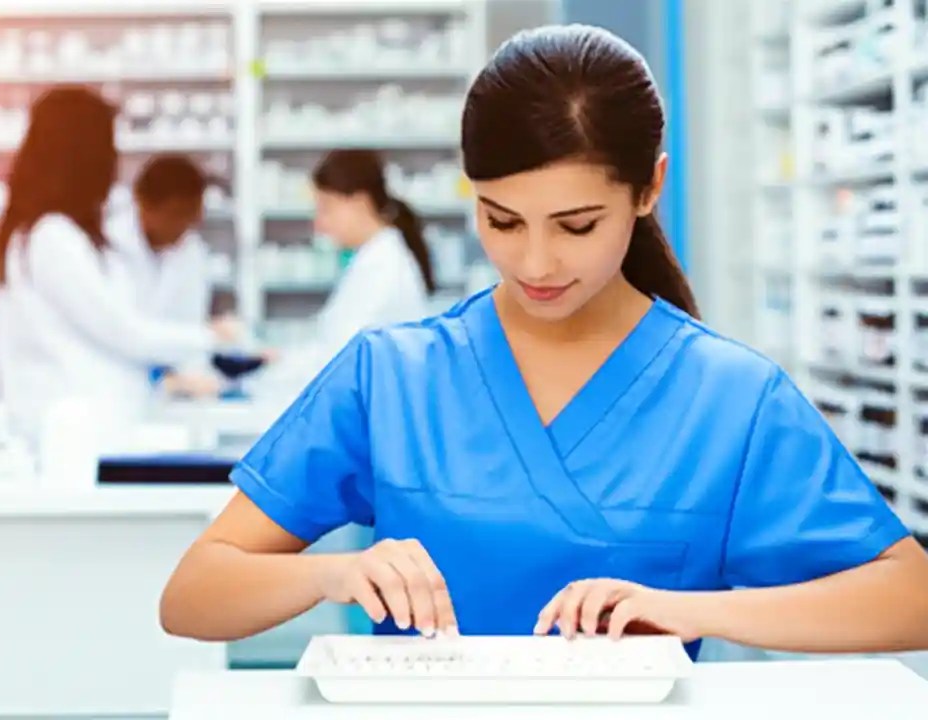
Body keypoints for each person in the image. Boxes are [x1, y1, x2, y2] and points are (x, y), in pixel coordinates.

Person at [159, 25, 928, 655]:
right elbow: (192, 596)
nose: (535, 263)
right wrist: (332, 575)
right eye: (502, 220)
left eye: (577, 226)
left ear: (649, 188)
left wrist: (693, 612)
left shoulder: (729, 397)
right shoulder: (392, 376)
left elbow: (912, 598)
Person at [0, 86, 238, 453]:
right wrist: (211, 336)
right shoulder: (52, 237)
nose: (113, 163)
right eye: (108, 149)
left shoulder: (64, 234)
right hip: (80, 435)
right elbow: (124, 332)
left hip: (99, 429)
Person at [251, 149, 435, 394]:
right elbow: (333, 347)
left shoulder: (382, 267)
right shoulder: (373, 258)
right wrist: (280, 360)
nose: (319, 224)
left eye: (326, 208)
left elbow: (338, 360)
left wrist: (272, 369)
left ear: (360, 203)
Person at [107, 154, 221, 398]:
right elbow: (116, 337)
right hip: (117, 391)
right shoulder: (110, 248)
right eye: (177, 215)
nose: (184, 228)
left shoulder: (191, 251)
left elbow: (190, 326)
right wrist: (159, 381)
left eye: (192, 218)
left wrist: (190, 379)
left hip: (172, 394)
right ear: (143, 204)